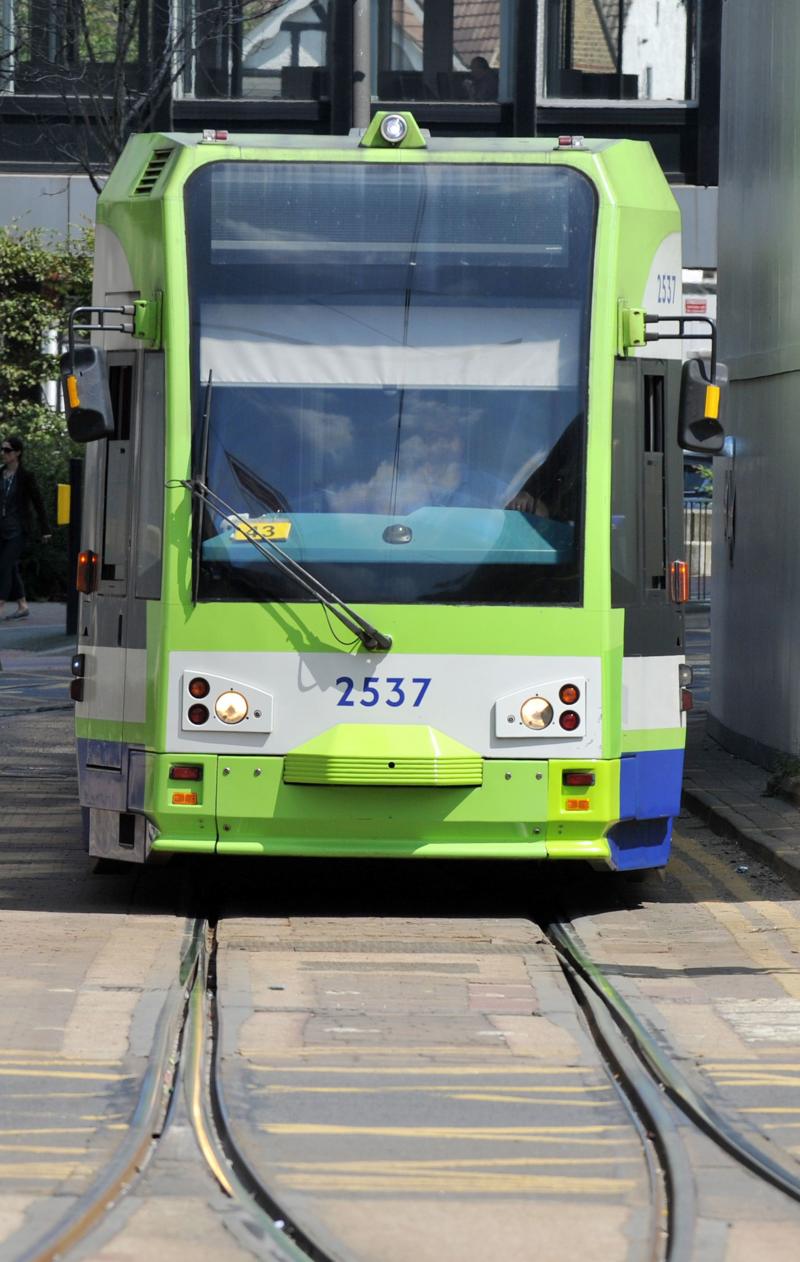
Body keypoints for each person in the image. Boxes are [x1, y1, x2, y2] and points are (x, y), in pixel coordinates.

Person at [0, 435, 51, 621]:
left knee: (4, 566)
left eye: (7, 450)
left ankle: (1, 605)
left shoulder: (26, 477)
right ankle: (22, 605)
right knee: (11, 567)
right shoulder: (1, 473)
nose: (3, 453)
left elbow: (38, 503)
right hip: (2, 529)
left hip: (18, 530)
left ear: (17, 453)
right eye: (2, 449)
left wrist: (45, 529)